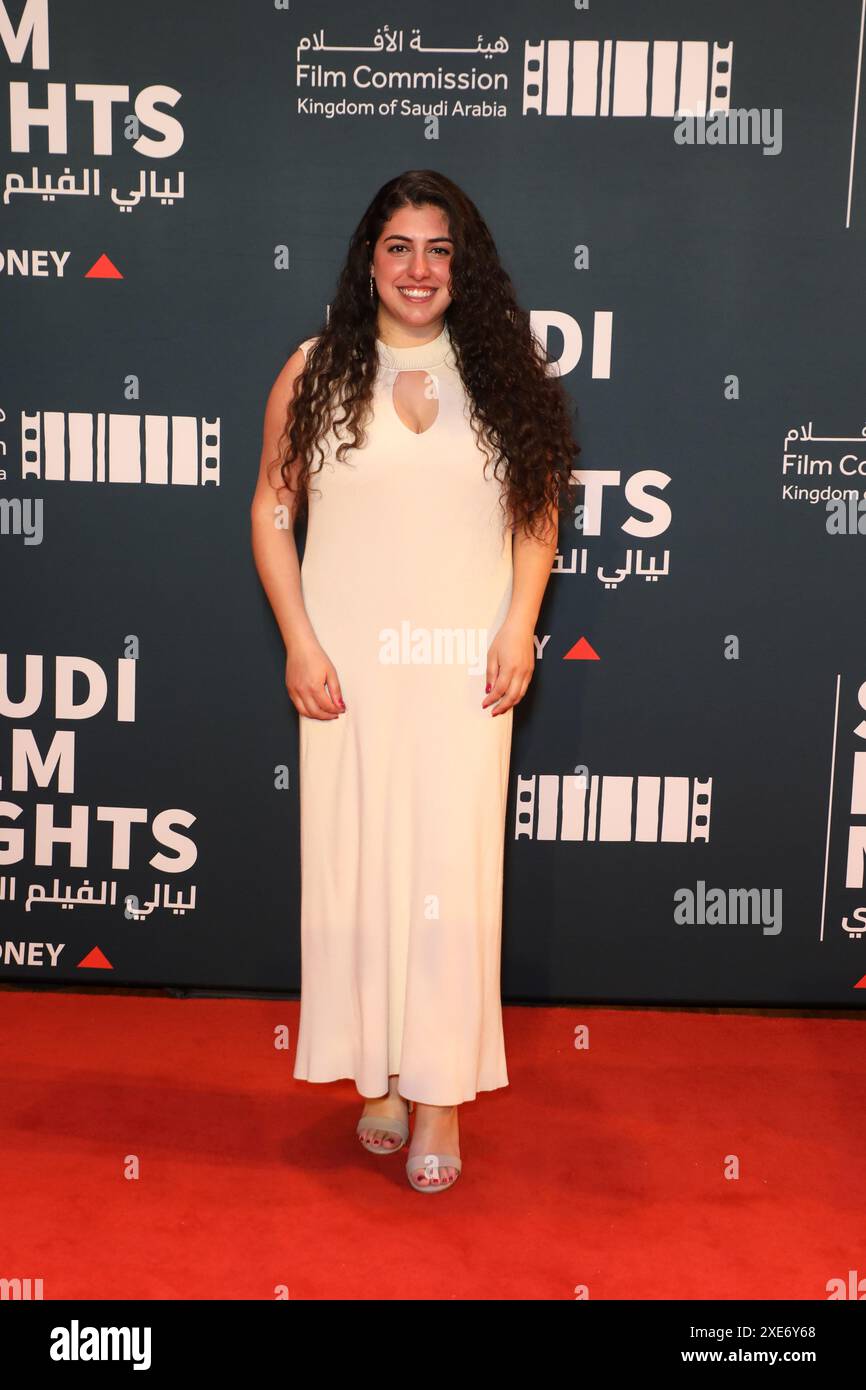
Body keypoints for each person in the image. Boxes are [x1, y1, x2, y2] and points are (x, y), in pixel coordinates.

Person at [251, 170, 579, 1192]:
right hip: (347, 668)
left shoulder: (501, 372)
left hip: (459, 672)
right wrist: (299, 640)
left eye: (437, 249)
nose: (418, 268)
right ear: (368, 261)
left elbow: (536, 514)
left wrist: (517, 627)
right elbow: (270, 510)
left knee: (451, 878)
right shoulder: (311, 372)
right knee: (359, 872)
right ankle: (379, 1080)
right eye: (398, 247)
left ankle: (438, 1095)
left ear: (461, 264)